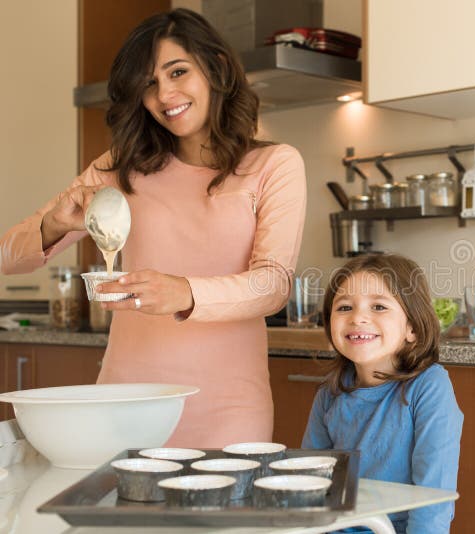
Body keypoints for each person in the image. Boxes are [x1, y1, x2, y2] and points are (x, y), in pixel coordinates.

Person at [0, 9, 306, 447]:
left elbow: (273, 285)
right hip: (125, 401)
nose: (165, 94)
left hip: (228, 409)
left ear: (216, 66)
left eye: (177, 72)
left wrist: (185, 292)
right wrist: (53, 224)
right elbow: (8, 258)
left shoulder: (273, 165)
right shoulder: (117, 170)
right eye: (149, 83)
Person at [302, 254, 463, 533]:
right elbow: (308, 484)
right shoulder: (330, 392)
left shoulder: (429, 386)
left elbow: (433, 498)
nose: (358, 318)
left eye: (378, 306)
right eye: (344, 307)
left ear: (411, 328)